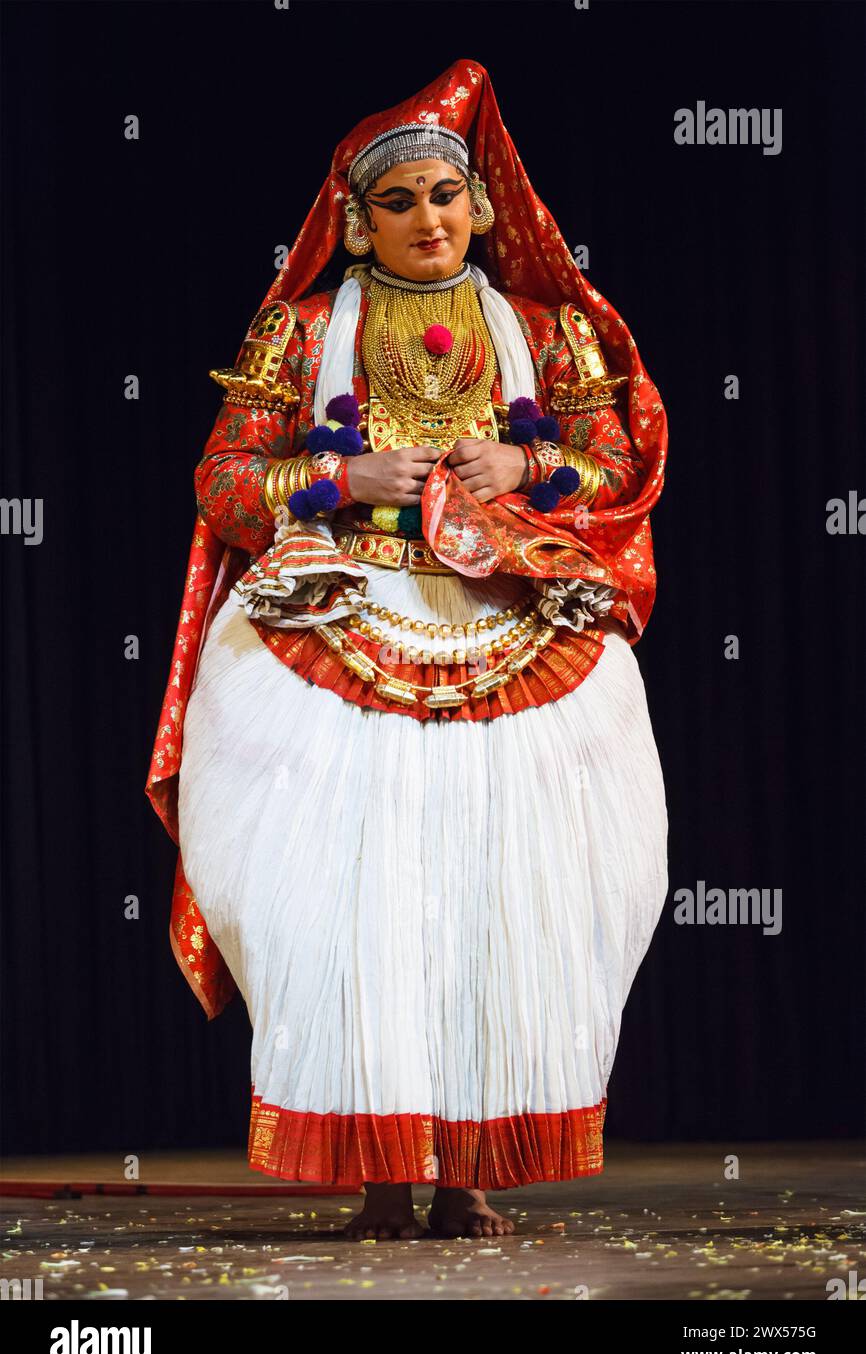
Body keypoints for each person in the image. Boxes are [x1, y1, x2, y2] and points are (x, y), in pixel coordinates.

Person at [145, 58, 669, 1241]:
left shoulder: (547, 331)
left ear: (481, 208)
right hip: (339, 621)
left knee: (507, 886)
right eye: (399, 202)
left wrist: (530, 467)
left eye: (446, 195)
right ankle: (381, 1169)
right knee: (350, 894)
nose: (427, 218)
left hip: (515, 623)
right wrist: (338, 475)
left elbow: (619, 472)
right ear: (353, 220)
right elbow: (225, 482)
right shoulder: (301, 328)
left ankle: (469, 1168)